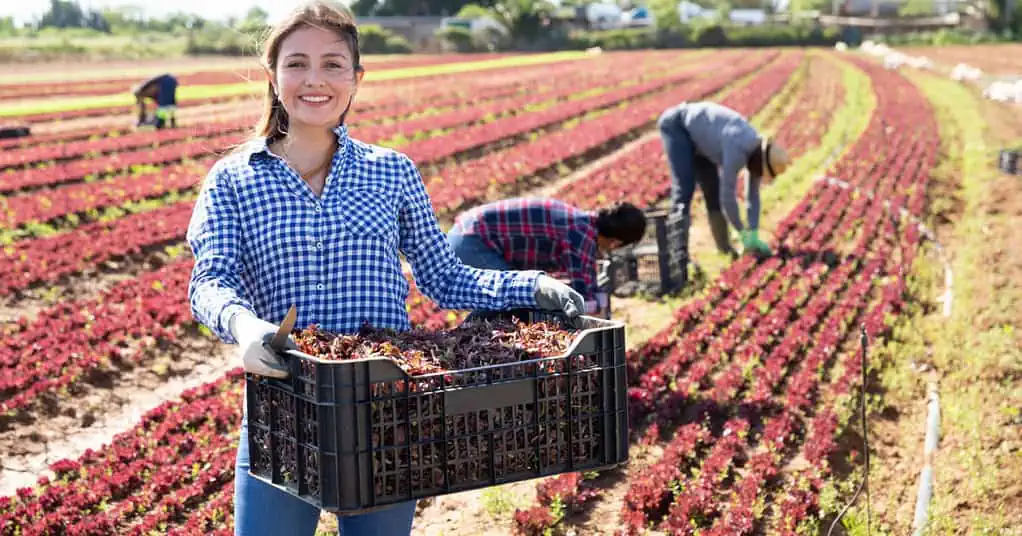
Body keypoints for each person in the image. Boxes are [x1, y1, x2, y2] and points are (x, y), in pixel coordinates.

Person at [185, 2, 585, 535]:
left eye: (332, 64)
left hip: (386, 412)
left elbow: (445, 277)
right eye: (297, 63)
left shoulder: (391, 172)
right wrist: (244, 326)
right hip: (284, 409)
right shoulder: (234, 179)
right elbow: (210, 280)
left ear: (357, 77)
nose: (314, 80)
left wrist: (530, 286)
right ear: (273, 76)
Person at [447, 198, 647, 316]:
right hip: (474, 240)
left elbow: (585, 282)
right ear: (616, 242)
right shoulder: (581, 235)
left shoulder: (583, 223)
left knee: (511, 301)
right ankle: (463, 353)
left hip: (468, 232)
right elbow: (583, 294)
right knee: (508, 303)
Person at [657, 101, 791, 259]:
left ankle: (725, 249)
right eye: (762, 172)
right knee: (684, 189)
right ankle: (677, 256)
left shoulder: (756, 155)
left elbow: (752, 196)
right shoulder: (737, 149)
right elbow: (727, 197)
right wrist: (742, 232)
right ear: (761, 160)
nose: (758, 175)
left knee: (712, 191)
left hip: (701, 140)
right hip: (678, 126)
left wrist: (753, 233)